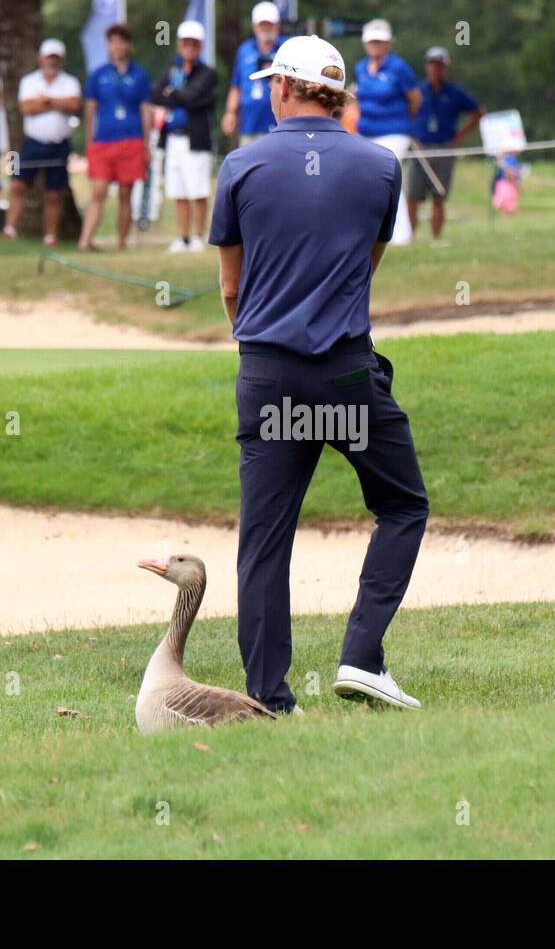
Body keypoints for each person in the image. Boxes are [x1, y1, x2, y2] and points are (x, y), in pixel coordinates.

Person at [210, 35, 430, 715]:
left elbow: (230, 291)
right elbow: (366, 267)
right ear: (338, 95)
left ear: (283, 88)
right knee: (402, 505)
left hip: (268, 374)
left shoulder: (241, 165)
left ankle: (270, 696)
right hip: (344, 376)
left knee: (265, 538)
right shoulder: (380, 165)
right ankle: (362, 656)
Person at [78, 24, 151, 252]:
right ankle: (85, 241)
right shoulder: (98, 75)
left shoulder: (139, 75)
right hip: (103, 142)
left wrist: (146, 145)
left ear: (128, 45)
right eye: (112, 42)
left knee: (125, 194)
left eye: (121, 41)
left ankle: (121, 244)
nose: (116, 46)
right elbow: (90, 111)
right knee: (98, 191)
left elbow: (145, 111)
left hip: (131, 140)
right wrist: (88, 143)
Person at [2, 39, 80, 247]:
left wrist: (46, 101)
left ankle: (50, 236)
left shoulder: (70, 82)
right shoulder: (29, 81)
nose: (51, 62)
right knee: (18, 184)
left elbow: (73, 104)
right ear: (40, 58)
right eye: (48, 57)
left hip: (59, 145)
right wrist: (57, 103)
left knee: (54, 193)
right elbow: (27, 107)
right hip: (32, 144)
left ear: (61, 60)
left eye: (55, 58)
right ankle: (9, 229)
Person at [151, 20, 217, 254]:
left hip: (196, 139)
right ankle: (183, 237)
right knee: (178, 189)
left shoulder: (207, 73)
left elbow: (192, 96)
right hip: (173, 138)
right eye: (185, 43)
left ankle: (198, 236)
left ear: (200, 46)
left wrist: (175, 94)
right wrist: (177, 95)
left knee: (197, 189)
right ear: (179, 44)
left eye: (194, 43)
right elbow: (156, 93)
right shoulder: (172, 71)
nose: (189, 47)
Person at [353, 19, 419, 246]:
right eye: (372, 41)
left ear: (388, 43)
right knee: (365, 182)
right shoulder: (361, 68)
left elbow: (415, 100)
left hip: (394, 132)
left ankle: (401, 234)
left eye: (380, 41)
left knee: (389, 179)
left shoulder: (399, 68)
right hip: (366, 132)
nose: (375, 45)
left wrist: (400, 122)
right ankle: (372, 231)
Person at [406, 46, 481, 243]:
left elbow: (478, 112)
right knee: (413, 195)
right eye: (432, 64)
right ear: (426, 67)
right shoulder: (418, 91)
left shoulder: (455, 93)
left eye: (439, 65)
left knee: (439, 197)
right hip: (420, 149)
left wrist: (459, 137)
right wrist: (410, 135)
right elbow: (405, 112)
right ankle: (410, 237)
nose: (435, 69)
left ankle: (436, 239)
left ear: (445, 67)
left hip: (444, 147)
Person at [221, 1, 286, 146]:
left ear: (277, 25)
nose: (266, 28)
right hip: (249, 125)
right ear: (254, 26)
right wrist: (230, 112)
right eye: (262, 24)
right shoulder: (244, 50)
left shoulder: (287, 48)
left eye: (269, 24)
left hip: (279, 126)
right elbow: (236, 85)